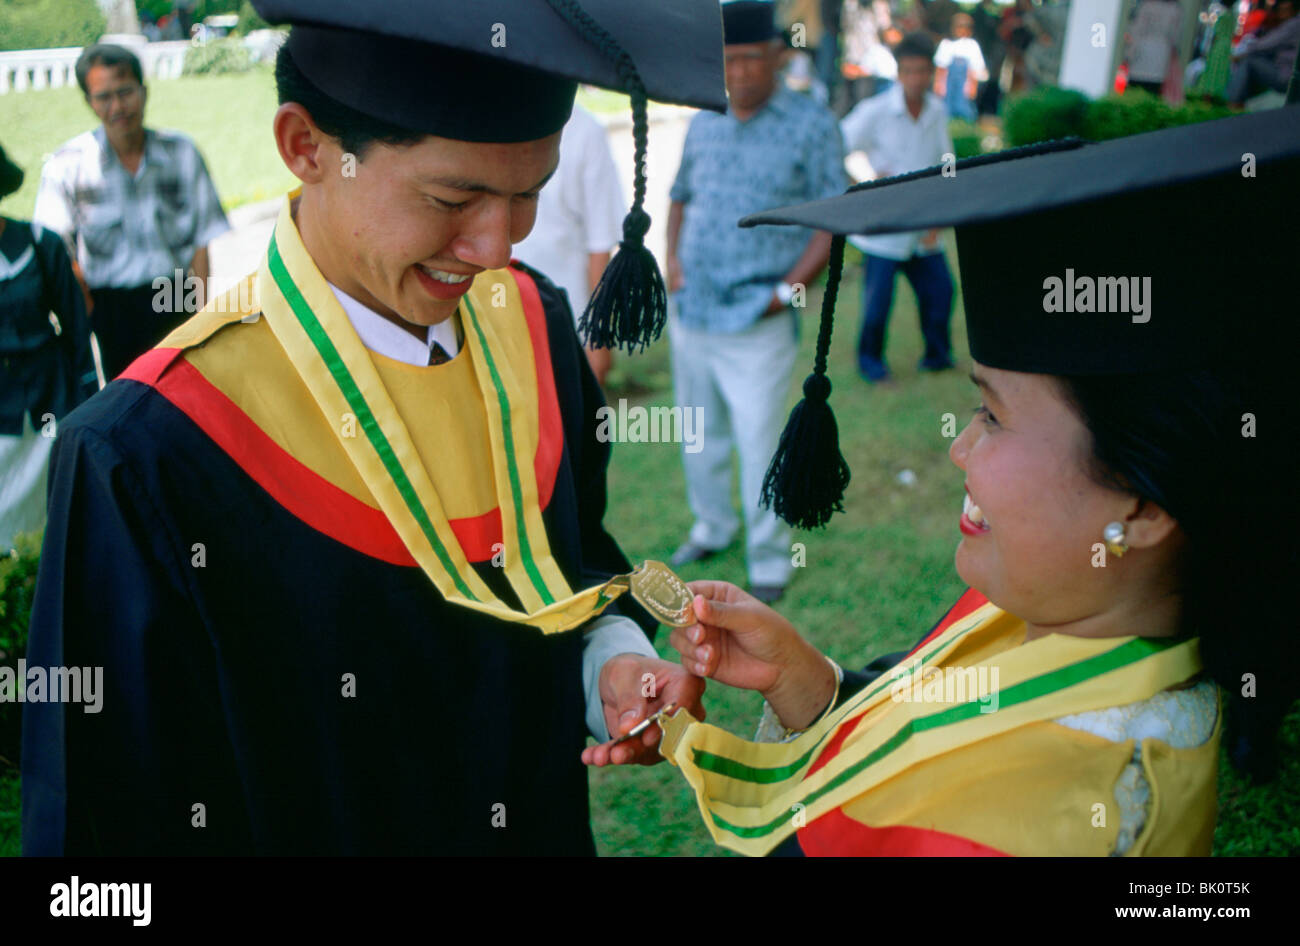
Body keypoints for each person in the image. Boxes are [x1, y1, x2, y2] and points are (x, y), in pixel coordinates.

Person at [21, 0, 727, 855]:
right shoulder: (151, 447)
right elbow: (107, 802)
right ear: (305, 146)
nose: (495, 248)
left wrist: (606, 662)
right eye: (452, 197)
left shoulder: (532, 327)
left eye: (529, 196)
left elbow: (569, 563)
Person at [622, 108, 1300, 856]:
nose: (960, 448)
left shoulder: (1061, 823)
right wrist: (805, 681)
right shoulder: (1050, 608)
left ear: (1140, 505)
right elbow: (914, 745)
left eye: (993, 415)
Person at [664, 0, 847, 606]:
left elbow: (831, 222)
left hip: (757, 318)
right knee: (699, 434)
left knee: (761, 440)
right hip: (694, 310)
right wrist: (674, 261)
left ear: (776, 55)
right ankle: (711, 526)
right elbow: (681, 195)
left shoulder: (810, 123)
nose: (739, 74)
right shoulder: (703, 118)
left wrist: (786, 293)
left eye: (750, 59)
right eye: (728, 62)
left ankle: (769, 557)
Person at [32, 43, 230, 381]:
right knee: (128, 407)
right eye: (103, 96)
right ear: (89, 102)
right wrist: (92, 312)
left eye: (126, 92)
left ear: (144, 90)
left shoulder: (182, 153)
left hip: (173, 295)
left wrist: (200, 314)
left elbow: (202, 239)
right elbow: (55, 249)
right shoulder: (68, 166)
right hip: (113, 307)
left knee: (186, 399)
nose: (118, 106)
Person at [840, 32, 955, 383]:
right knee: (877, 305)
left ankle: (937, 357)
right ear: (898, 73)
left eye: (922, 71)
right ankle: (871, 365)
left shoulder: (936, 111)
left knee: (941, 292)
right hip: (885, 229)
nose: (915, 78)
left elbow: (946, 161)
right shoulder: (876, 111)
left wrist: (939, 213)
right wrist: (864, 179)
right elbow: (836, 145)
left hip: (923, 225)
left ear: (932, 71)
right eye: (908, 71)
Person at [0, 145, 98, 551]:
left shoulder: (40, 244)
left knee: (59, 518)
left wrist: (90, 402)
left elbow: (77, 330)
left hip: (51, 402)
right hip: (2, 419)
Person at [513, 103, 626, 388]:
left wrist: (598, 334)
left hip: (567, 310)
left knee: (573, 416)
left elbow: (600, 243)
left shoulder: (584, 131)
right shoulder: (490, 113)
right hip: (499, 304)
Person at [1225, 0, 1299, 105]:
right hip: (1285, 73)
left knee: (1249, 62)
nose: (1281, 12)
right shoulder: (1288, 23)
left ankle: (1232, 104)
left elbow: (1266, 44)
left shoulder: (1295, 24)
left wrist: (1240, 55)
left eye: (1285, 9)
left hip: (1286, 76)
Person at [1125, 0, 1186, 98]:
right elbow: (1175, 37)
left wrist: (1128, 55)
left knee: (1134, 90)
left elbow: (1137, 30)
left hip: (1142, 51)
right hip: (1162, 54)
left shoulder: (1146, 5)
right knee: (1153, 91)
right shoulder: (1176, 9)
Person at [934, 12, 988, 120]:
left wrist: (973, 86)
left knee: (965, 108)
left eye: (966, 27)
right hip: (948, 83)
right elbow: (941, 68)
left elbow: (975, 68)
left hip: (965, 83)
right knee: (946, 108)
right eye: (959, 26)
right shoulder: (946, 44)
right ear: (952, 28)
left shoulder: (972, 45)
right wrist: (938, 85)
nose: (962, 30)